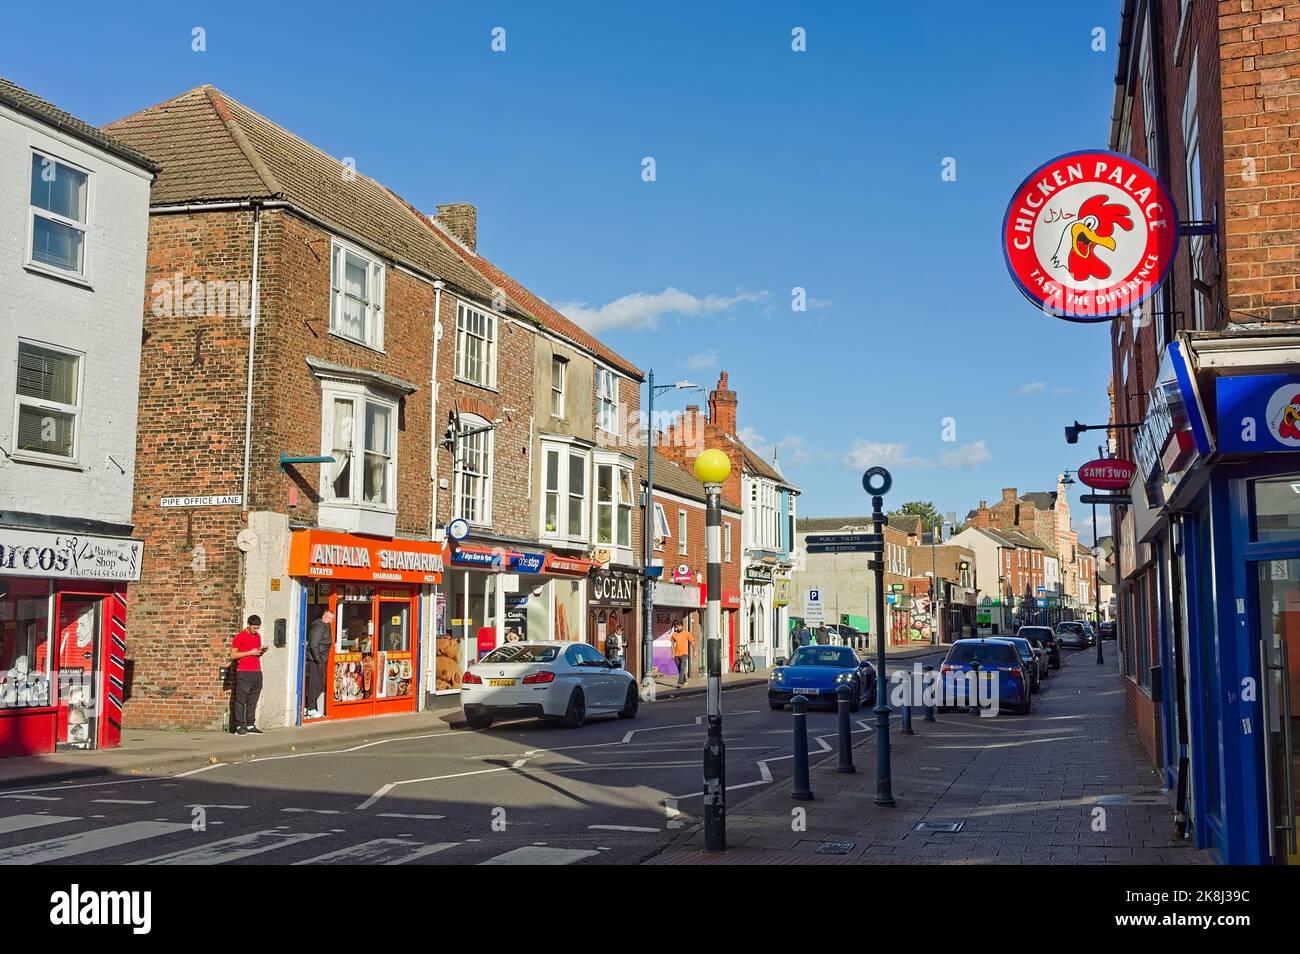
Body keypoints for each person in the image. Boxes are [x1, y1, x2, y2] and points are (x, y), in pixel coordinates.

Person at [230, 614, 267, 734]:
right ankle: (240, 726)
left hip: (256, 671)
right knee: (241, 699)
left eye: (258, 628)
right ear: (249, 625)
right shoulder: (240, 637)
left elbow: (255, 654)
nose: (256, 630)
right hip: (244, 672)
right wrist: (250, 652)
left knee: (253, 700)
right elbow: (234, 655)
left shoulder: (257, 636)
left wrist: (261, 651)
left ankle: (250, 724)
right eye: (254, 628)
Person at [304, 610, 332, 719]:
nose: (331, 621)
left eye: (332, 619)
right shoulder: (319, 628)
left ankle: (310, 706)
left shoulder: (325, 626)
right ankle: (310, 708)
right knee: (315, 684)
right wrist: (319, 661)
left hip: (320, 659)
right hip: (315, 660)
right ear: (324, 616)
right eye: (329, 618)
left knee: (319, 684)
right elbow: (313, 646)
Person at [670, 622, 693, 687]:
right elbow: (672, 644)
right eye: (677, 627)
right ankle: (685, 680)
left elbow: (691, 642)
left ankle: (679, 682)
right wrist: (673, 654)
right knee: (679, 668)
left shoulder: (686, 633)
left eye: (679, 626)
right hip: (676, 655)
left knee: (682, 668)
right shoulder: (674, 634)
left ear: (682, 626)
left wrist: (694, 651)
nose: (678, 628)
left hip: (684, 654)